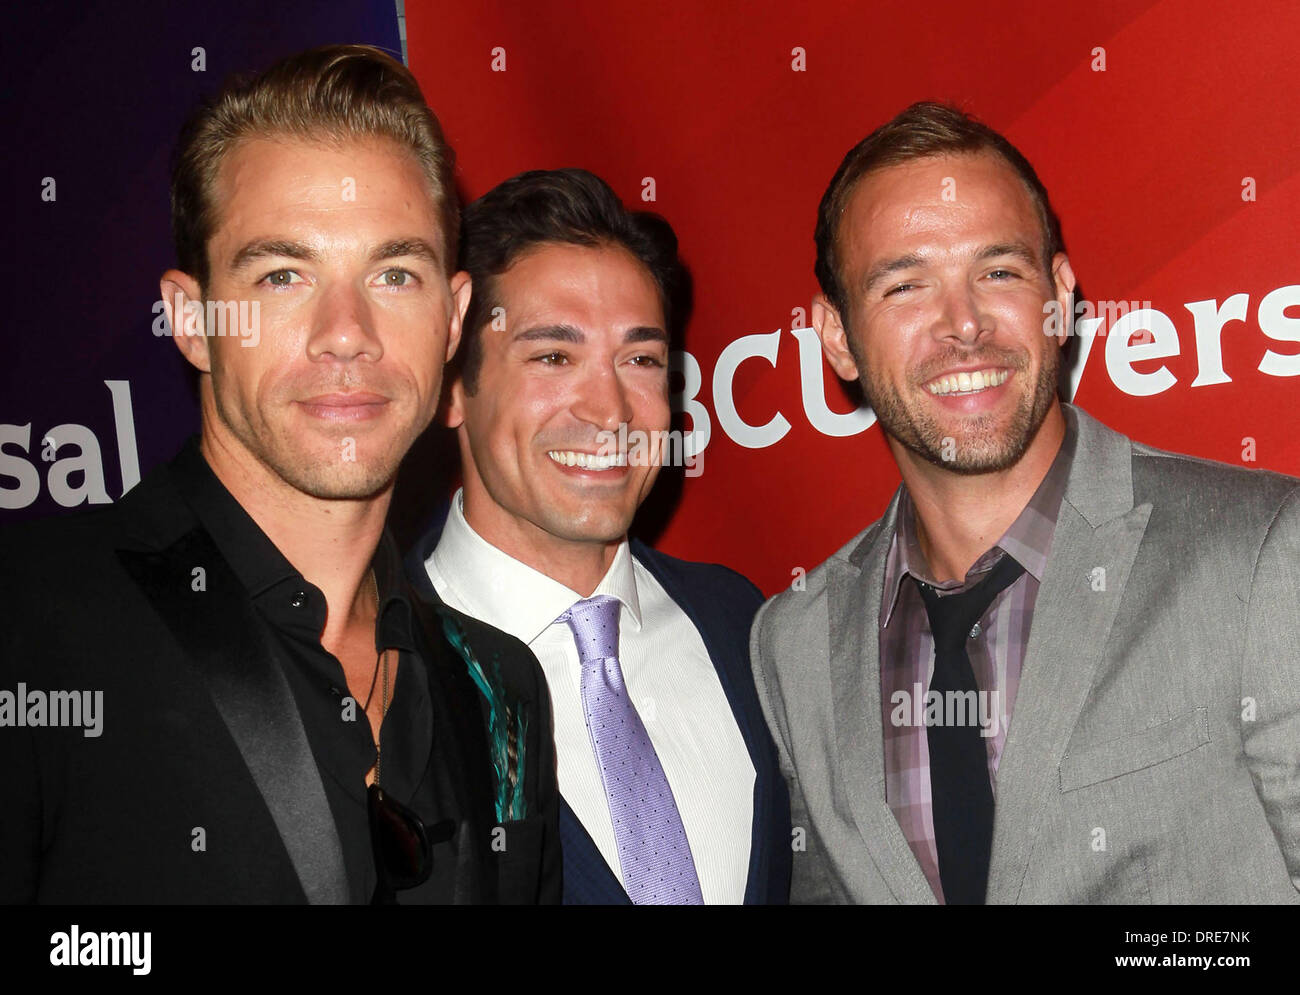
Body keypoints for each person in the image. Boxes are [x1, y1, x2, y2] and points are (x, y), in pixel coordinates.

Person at [0, 44, 559, 904]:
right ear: (192, 320)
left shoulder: (501, 686)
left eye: (394, 273)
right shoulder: (29, 620)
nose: (347, 332)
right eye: (284, 275)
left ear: (453, 320)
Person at [750, 101, 1300, 904]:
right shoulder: (794, 642)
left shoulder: (1261, 553)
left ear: (1061, 296)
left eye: (999, 272)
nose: (964, 324)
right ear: (836, 337)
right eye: (905, 285)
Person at [408, 168, 791, 904]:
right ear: (453, 386)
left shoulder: (742, 622)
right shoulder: (378, 671)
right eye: (554, 357)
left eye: (640, 359)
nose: (610, 407)